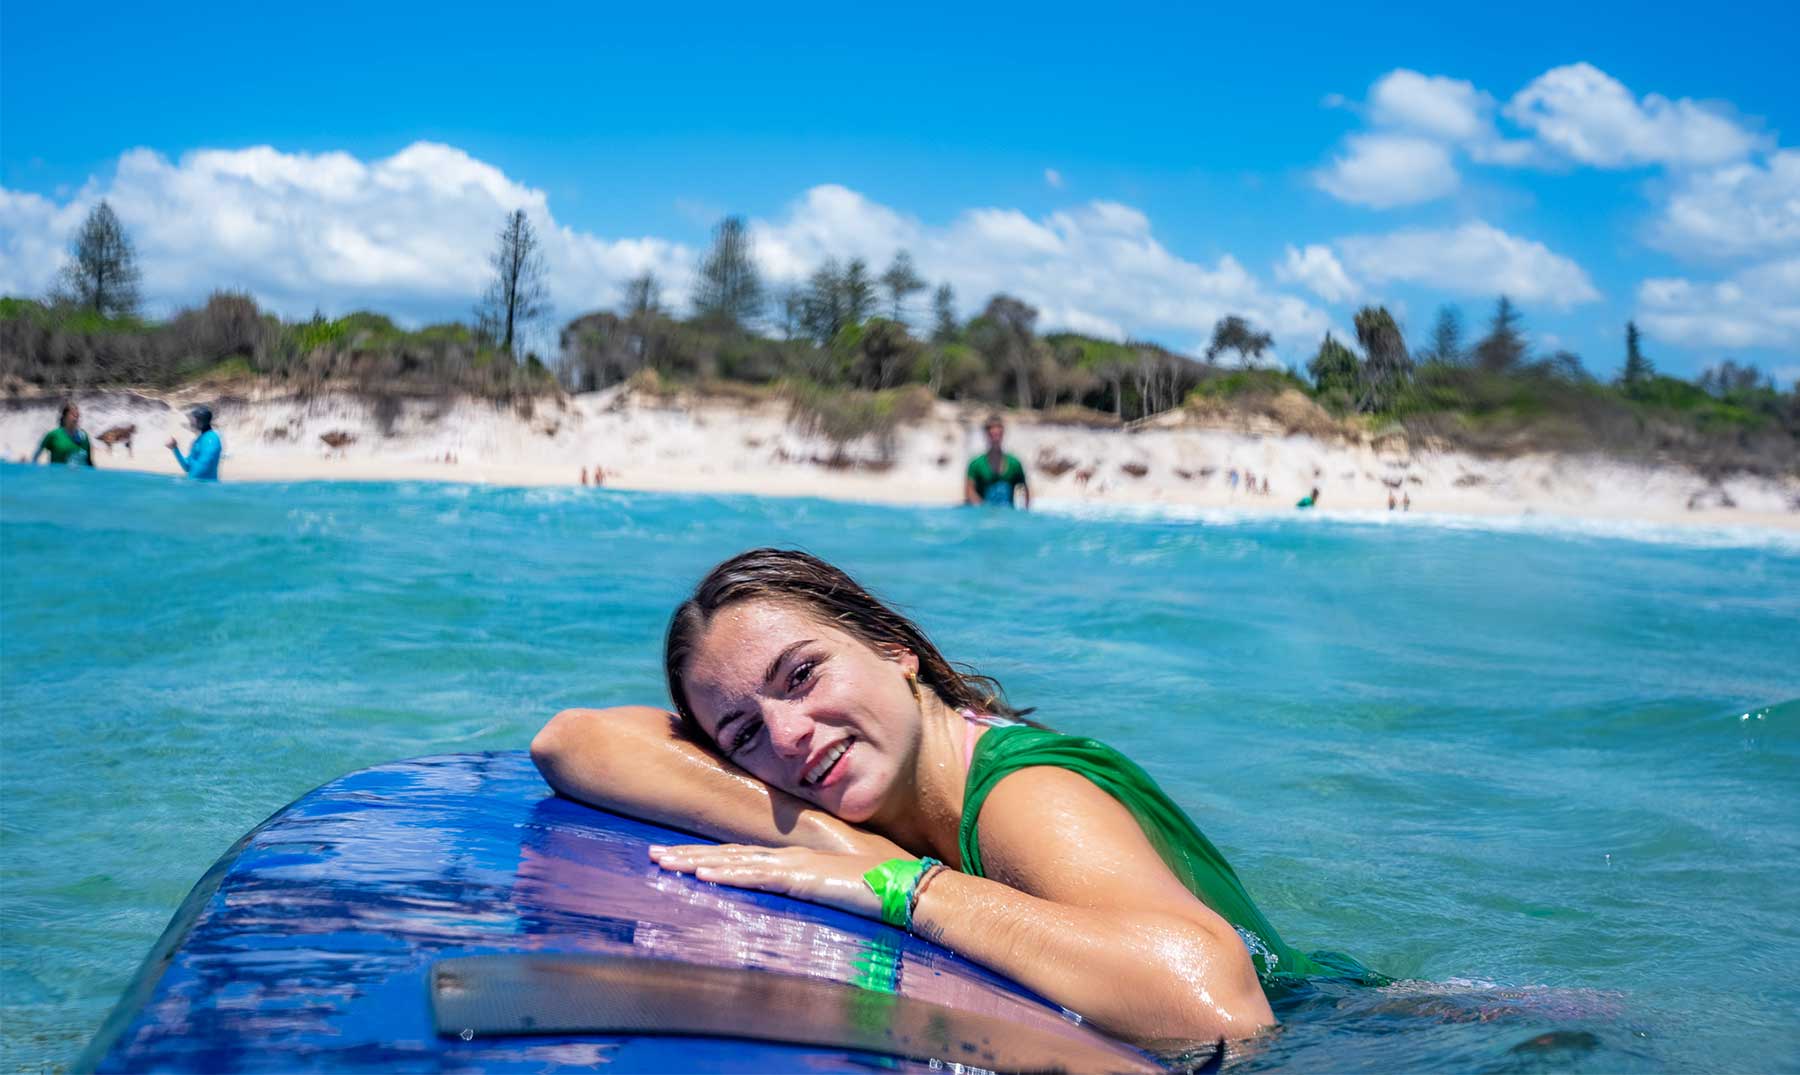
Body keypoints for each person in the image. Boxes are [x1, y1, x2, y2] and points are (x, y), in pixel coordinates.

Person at [531, 549, 1384, 1046]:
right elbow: (572, 742)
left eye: (802, 673)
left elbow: (1220, 1004)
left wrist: (905, 886)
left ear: (895, 648)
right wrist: (836, 844)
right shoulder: (873, 798)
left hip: (1363, 1040)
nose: (787, 735)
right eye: (743, 732)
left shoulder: (1024, 794)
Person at [963, 415, 1029, 509]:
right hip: (982, 516)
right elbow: (968, 492)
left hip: (1007, 514)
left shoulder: (1014, 463)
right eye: (992, 435)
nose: (995, 439)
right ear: (986, 435)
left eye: (998, 434)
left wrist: (1024, 514)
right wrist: (984, 508)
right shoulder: (976, 464)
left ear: (1003, 434)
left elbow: (1026, 490)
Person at [32, 402, 96, 467]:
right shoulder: (54, 435)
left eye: (77, 415)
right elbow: (36, 456)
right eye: (73, 415)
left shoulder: (84, 436)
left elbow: (89, 461)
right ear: (65, 417)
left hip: (79, 476)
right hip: (58, 475)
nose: (76, 418)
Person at [167, 405, 222, 481]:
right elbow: (187, 467)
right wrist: (175, 448)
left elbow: (206, 464)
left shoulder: (212, 438)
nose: (191, 422)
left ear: (201, 422)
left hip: (204, 487)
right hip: (196, 485)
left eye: (193, 420)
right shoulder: (198, 440)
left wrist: (191, 483)